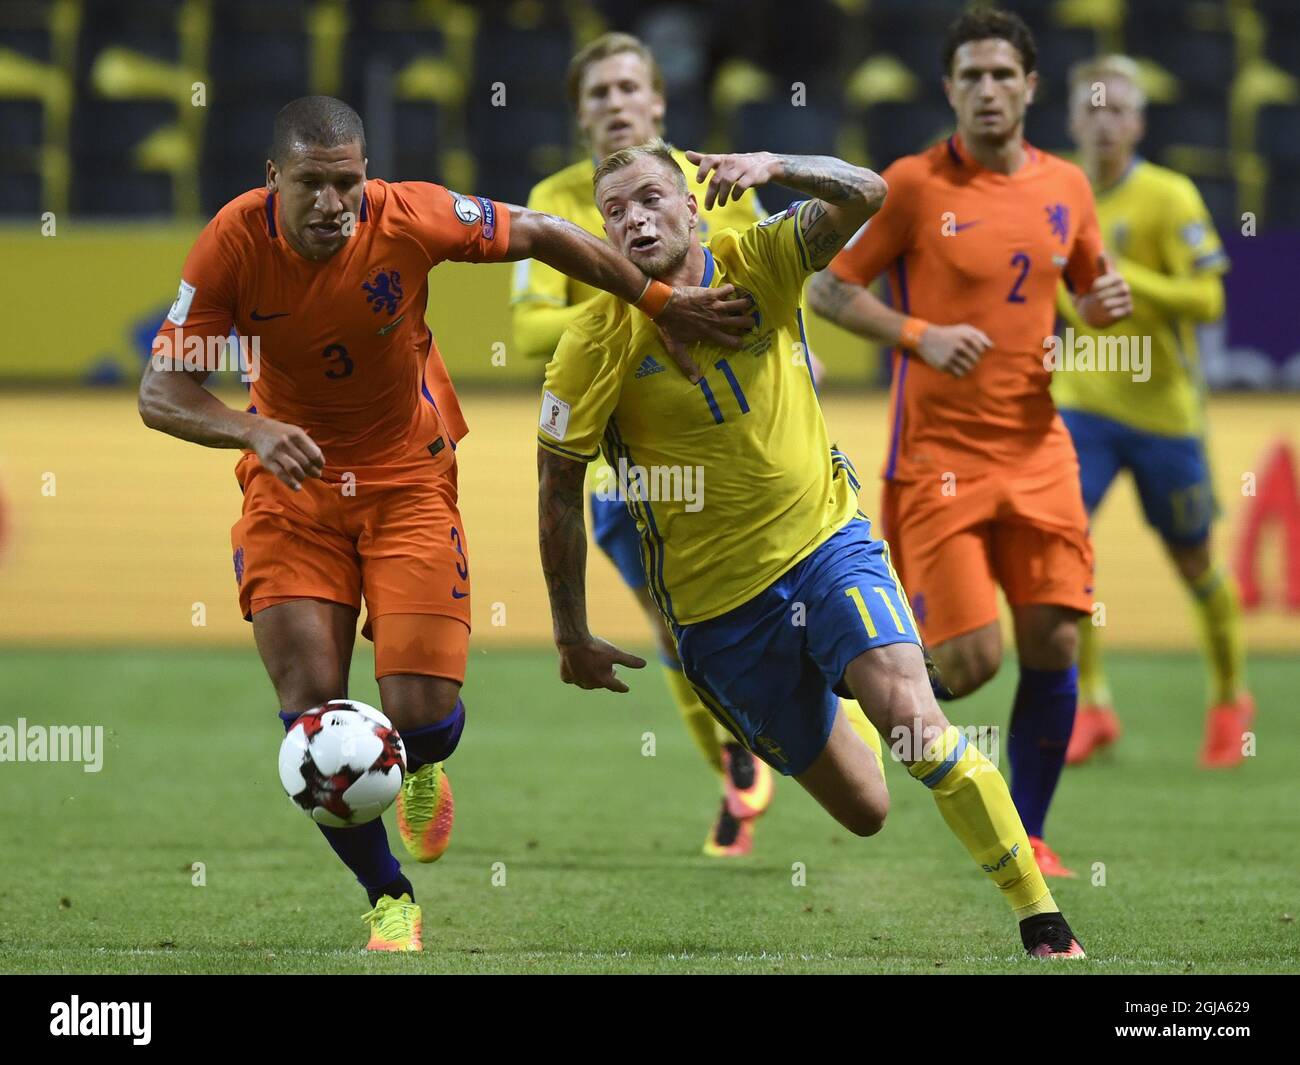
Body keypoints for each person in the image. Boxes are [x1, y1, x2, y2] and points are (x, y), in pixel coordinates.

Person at [138, 95, 753, 952]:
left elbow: (540, 230)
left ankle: (420, 761)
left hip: (407, 484)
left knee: (420, 714)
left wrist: (657, 300)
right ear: (272, 178)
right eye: (311, 184)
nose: (331, 204)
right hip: (293, 491)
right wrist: (251, 428)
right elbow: (160, 392)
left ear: (367, 176)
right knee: (310, 718)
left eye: (347, 183)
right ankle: (390, 897)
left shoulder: (411, 216)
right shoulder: (232, 244)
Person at [537, 137, 1085, 958]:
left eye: (651, 198)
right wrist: (569, 630)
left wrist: (774, 164)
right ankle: (842, 684)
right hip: (716, 614)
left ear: (693, 203)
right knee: (867, 808)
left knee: (916, 722)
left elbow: (867, 192)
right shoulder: (594, 341)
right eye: (614, 210)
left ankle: (1042, 920)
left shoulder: (759, 256)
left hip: (826, 545)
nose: (635, 219)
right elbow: (555, 491)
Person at [806, 7, 1132, 878]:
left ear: (1031, 87)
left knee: (1057, 640)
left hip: (1037, 448)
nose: (988, 90)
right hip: (939, 460)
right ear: (949, 89)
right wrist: (920, 334)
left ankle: (1028, 832)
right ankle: (854, 688)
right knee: (971, 662)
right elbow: (829, 293)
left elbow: (1088, 287)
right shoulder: (912, 185)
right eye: (971, 77)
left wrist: (1100, 309)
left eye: (1003, 75)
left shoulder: (1067, 185)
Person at [513, 32, 777, 855]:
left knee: (781, 597)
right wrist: (649, 307)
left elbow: (760, 292)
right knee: (676, 629)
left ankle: (804, 713)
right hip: (621, 454)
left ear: (658, 103)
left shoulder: (714, 179)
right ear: (580, 114)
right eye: (598, 93)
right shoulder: (550, 200)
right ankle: (734, 767)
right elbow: (526, 331)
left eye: (630, 87)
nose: (616, 103)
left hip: (735, 443)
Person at [1053, 55, 1252, 768]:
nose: (1105, 122)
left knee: (1194, 559)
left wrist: (1122, 273)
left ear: (1137, 122)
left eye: (1119, 110)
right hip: (1083, 402)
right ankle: (1093, 705)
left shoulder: (1170, 196)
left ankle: (1231, 697)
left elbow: (1210, 300)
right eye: (1093, 109)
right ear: (1074, 120)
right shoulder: (1056, 195)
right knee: (1061, 547)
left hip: (1166, 412)